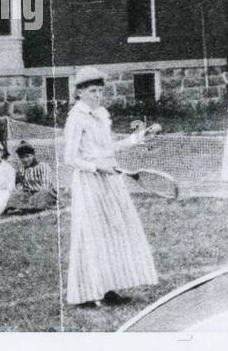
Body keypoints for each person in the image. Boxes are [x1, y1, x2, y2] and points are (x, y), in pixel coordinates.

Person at [63, 66, 158, 308]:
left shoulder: (103, 114)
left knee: (113, 232)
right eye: (93, 91)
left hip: (110, 178)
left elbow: (109, 147)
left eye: (100, 91)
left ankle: (108, 289)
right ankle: (88, 293)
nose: (98, 95)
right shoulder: (76, 118)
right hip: (89, 182)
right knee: (92, 235)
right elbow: (69, 158)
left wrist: (140, 137)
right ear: (80, 92)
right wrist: (96, 168)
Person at [4, 142, 58, 214]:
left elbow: (46, 185)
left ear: (33, 155)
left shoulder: (43, 166)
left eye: (27, 156)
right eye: (22, 157)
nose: (25, 160)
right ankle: (21, 208)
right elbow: (13, 182)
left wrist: (35, 195)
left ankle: (27, 208)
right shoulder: (21, 169)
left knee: (43, 195)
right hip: (29, 194)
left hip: (43, 192)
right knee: (16, 195)